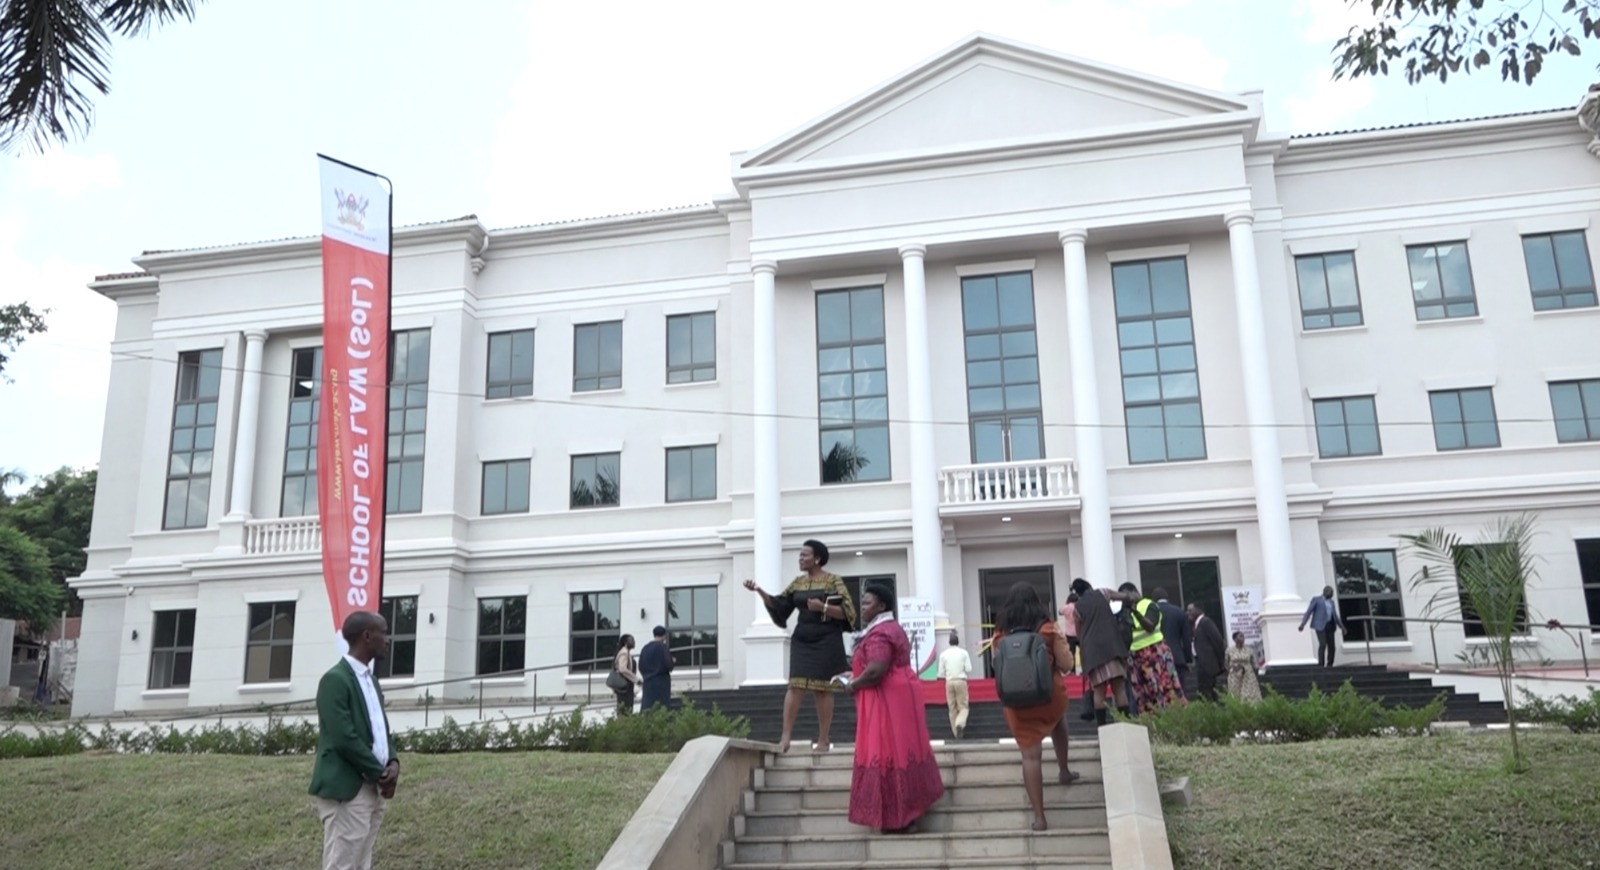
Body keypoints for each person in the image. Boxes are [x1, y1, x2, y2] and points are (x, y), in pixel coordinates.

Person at [843, 582, 945, 834]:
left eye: (867, 603)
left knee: (889, 752)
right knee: (901, 750)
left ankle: (899, 818)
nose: (863, 607)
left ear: (881, 606)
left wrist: (853, 684)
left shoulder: (880, 633)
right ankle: (902, 815)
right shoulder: (888, 628)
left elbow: (876, 669)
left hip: (887, 699)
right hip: (896, 695)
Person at [744, 539, 856, 753]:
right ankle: (785, 738)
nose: (800, 558)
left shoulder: (834, 581)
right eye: (800, 555)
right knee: (795, 686)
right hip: (803, 639)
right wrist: (759, 590)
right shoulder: (798, 583)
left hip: (827, 640)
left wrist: (823, 608)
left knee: (823, 689)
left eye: (805, 555)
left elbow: (849, 613)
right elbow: (780, 605)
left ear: (817, 558)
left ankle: (823, 740)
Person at [309, 611, 400, 870]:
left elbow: (381, 731)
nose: (388, 640)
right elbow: (343, 737)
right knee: (342, 865)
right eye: (384, 633)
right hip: (348, 791)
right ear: (367, 636)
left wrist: (393, 763)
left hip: (373, 788)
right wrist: (378, 772)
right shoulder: (335, 680)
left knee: (361, 865)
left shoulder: (371, 681)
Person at [994, 583, 1082, 832]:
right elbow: (1066, 664)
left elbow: (998, 665)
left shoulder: (1000, 634)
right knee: (1059, 720)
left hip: (1016, 704)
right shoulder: (1048, 628)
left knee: (1030, 757)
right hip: (1048, 697)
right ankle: (1063, 770)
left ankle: (1040, 818)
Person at [1116, 583, 1185, 713]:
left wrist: (1134, 611)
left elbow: (1150, 626)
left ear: (1134, 592)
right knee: (1142, 694)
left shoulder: (1149, 605)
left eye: (1126, 596)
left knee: (1163, 688)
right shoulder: (1124, 612)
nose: (1125, 599)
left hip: (1155, 654)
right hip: (1135, 657)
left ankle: (1170, 715)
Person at [1070, 578, 1131, 726]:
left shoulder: (1077, 608)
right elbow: (1124, 597)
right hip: (1112, 648)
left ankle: (1102, 726)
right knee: (1119, 689)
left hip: (1093, 654)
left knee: (1099, 692)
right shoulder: (1102, 593)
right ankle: (1126, 723)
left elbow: (1079, 634)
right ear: (1088, 586)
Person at [1153, 588, 1192, 699]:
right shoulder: (1179, 612)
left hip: (1157, 658)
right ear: (1167, 597)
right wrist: (1187, 659)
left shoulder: (1151, 613)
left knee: (1161, 693)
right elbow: (1186, 638)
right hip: (1177, 657)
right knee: (1181, 691)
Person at [1298, 585, 1347, 667]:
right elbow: (1309, 612)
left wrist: (1342, 627)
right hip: (1320, 626)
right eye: (1331, 592)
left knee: (1332, 646)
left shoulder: (1331, 602)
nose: (1332, 594)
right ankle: (1321, 664)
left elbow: (1335, 616)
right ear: (1325, 592)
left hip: (1330, 625)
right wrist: (1303, 624)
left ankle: (1330, 664)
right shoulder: (1317, 600)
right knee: (1323, 644)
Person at [936, 630, 973, 739]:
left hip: (949, 682)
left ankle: (956, 734)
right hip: (960, 680)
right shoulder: (964, 653)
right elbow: (969, 669)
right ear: (958, 642)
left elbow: (941, 673)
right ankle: (959, 724)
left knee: (952, 708)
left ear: (949, 642)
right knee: (963, 707)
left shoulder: (943, 655)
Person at [1188, 603, 1227, 702]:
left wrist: (1220, 661)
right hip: (1201, 664)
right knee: (1204, 693)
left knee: (1208, 693)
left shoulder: (1206, 622)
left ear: (1198, 610)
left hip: (1208, 666)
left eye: (1190, 610)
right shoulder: (1196, 625)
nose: (1188, 613)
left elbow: (1218, 641)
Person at [638, 625, 674, 712]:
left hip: (648, 682)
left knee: (648, 707)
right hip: (661, 682)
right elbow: (668, 664)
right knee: (662, 707)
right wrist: (672, 662)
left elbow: (640, 666)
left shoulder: (645, 648)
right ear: (664, 636)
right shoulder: (663, 647)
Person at [1226, 631, 1263, 701]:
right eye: (1240, 636)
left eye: (1243, 636)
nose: (1242, 638)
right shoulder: (1229, 650)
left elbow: (1254, 662)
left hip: (1248, 674)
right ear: (1235, 639)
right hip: (1234, 675)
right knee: (1235, 693)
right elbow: (1226, 663)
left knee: (1249, 693)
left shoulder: (1249, 650)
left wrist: (1259, 669)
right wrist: (1233, 669)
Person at [611, 634, 641, 716]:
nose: (634, 642)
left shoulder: (626, 652)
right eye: (631, 640)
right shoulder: (624, 653)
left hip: (626, 685)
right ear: (625, 642)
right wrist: (636, 680)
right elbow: (622, 669)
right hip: (624, 686)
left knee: (626, 708)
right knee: (625, 708)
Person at [1059, 593, 1081, 672]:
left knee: (1072, 653)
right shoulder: (1079, 606)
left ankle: (1073, 671)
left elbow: (1060, 612)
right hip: (1079, 633)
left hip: (1069, 635)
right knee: (1083, 653)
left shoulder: (1066, 607)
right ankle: (1085, 670)